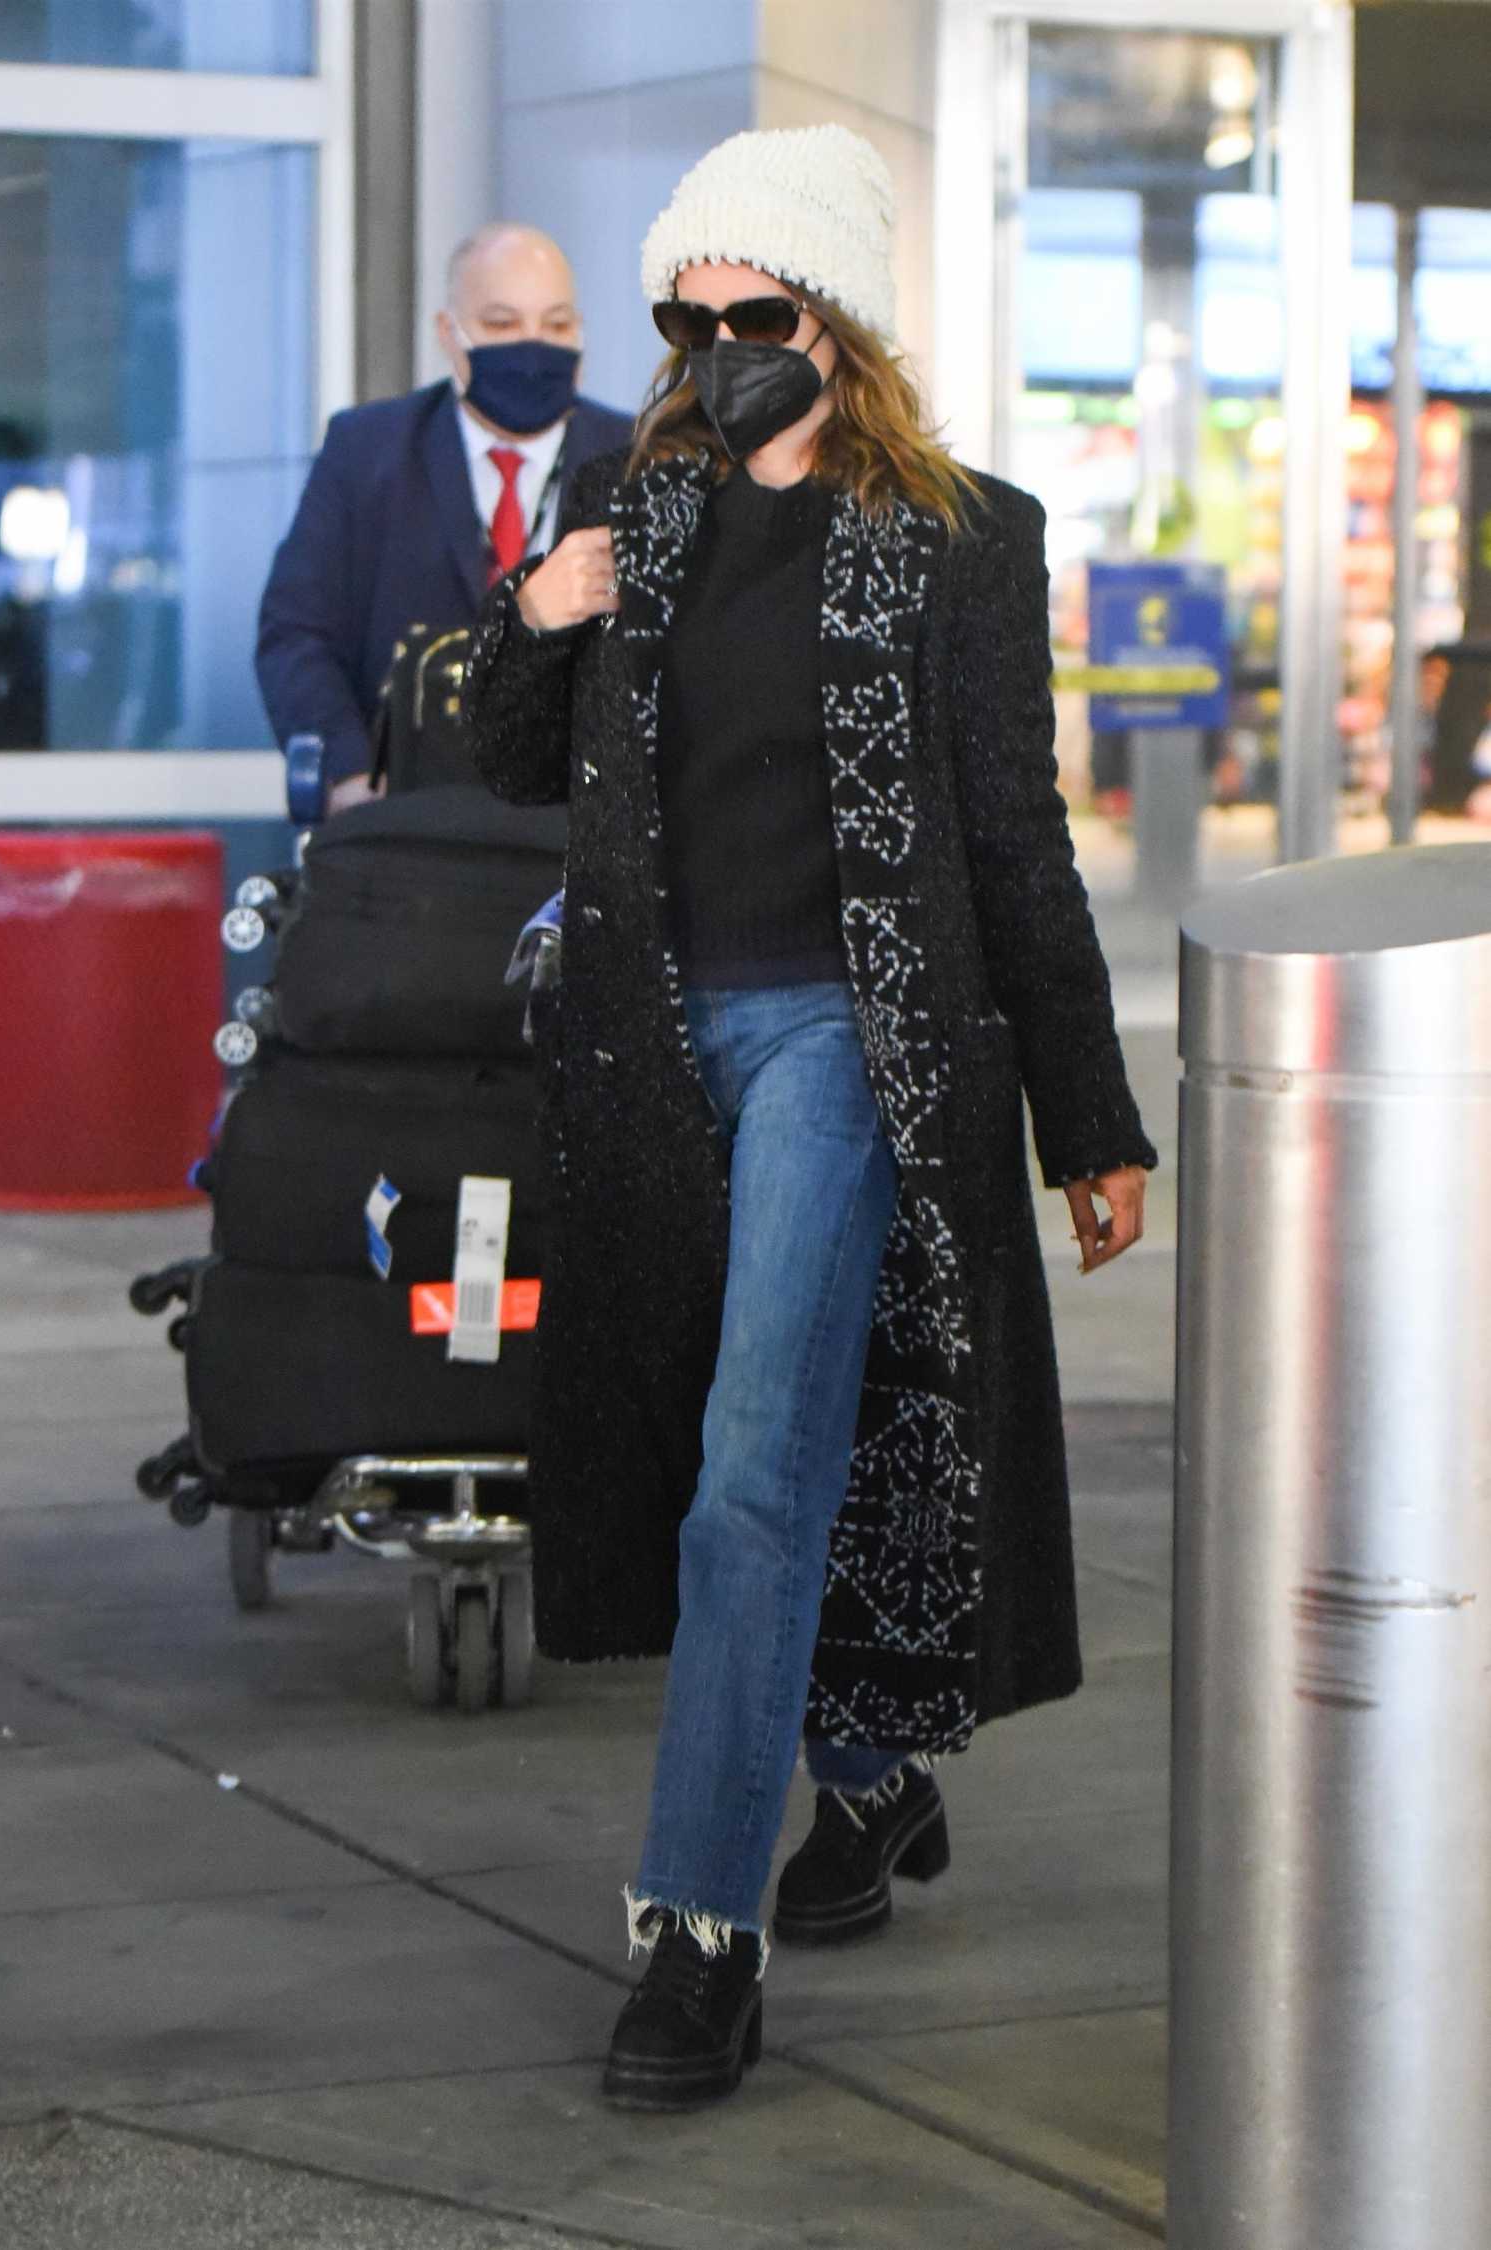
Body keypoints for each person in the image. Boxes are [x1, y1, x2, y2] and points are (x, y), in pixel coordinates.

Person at [461, 123, 1156, 2114]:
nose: (714, 352)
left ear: (836, 323)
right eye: (688, 321)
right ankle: (865, 1776)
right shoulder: (633, 505)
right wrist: (541, 602)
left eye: (752, 317)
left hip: (854, 1041)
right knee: (709, 1430)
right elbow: (517, 763)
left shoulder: (961, 540)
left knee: (757, 1465)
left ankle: (700, 1938)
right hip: (649, 1044)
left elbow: (1015, 840)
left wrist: (1090, 1119)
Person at [256, 223, 632, 812]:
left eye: (556, 325)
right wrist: (350, 773)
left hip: (576, 824)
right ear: (448, 333)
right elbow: (296, 632)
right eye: (503, 324)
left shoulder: (636, 459)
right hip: (410, 814)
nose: (533, 347)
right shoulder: (367, 451)